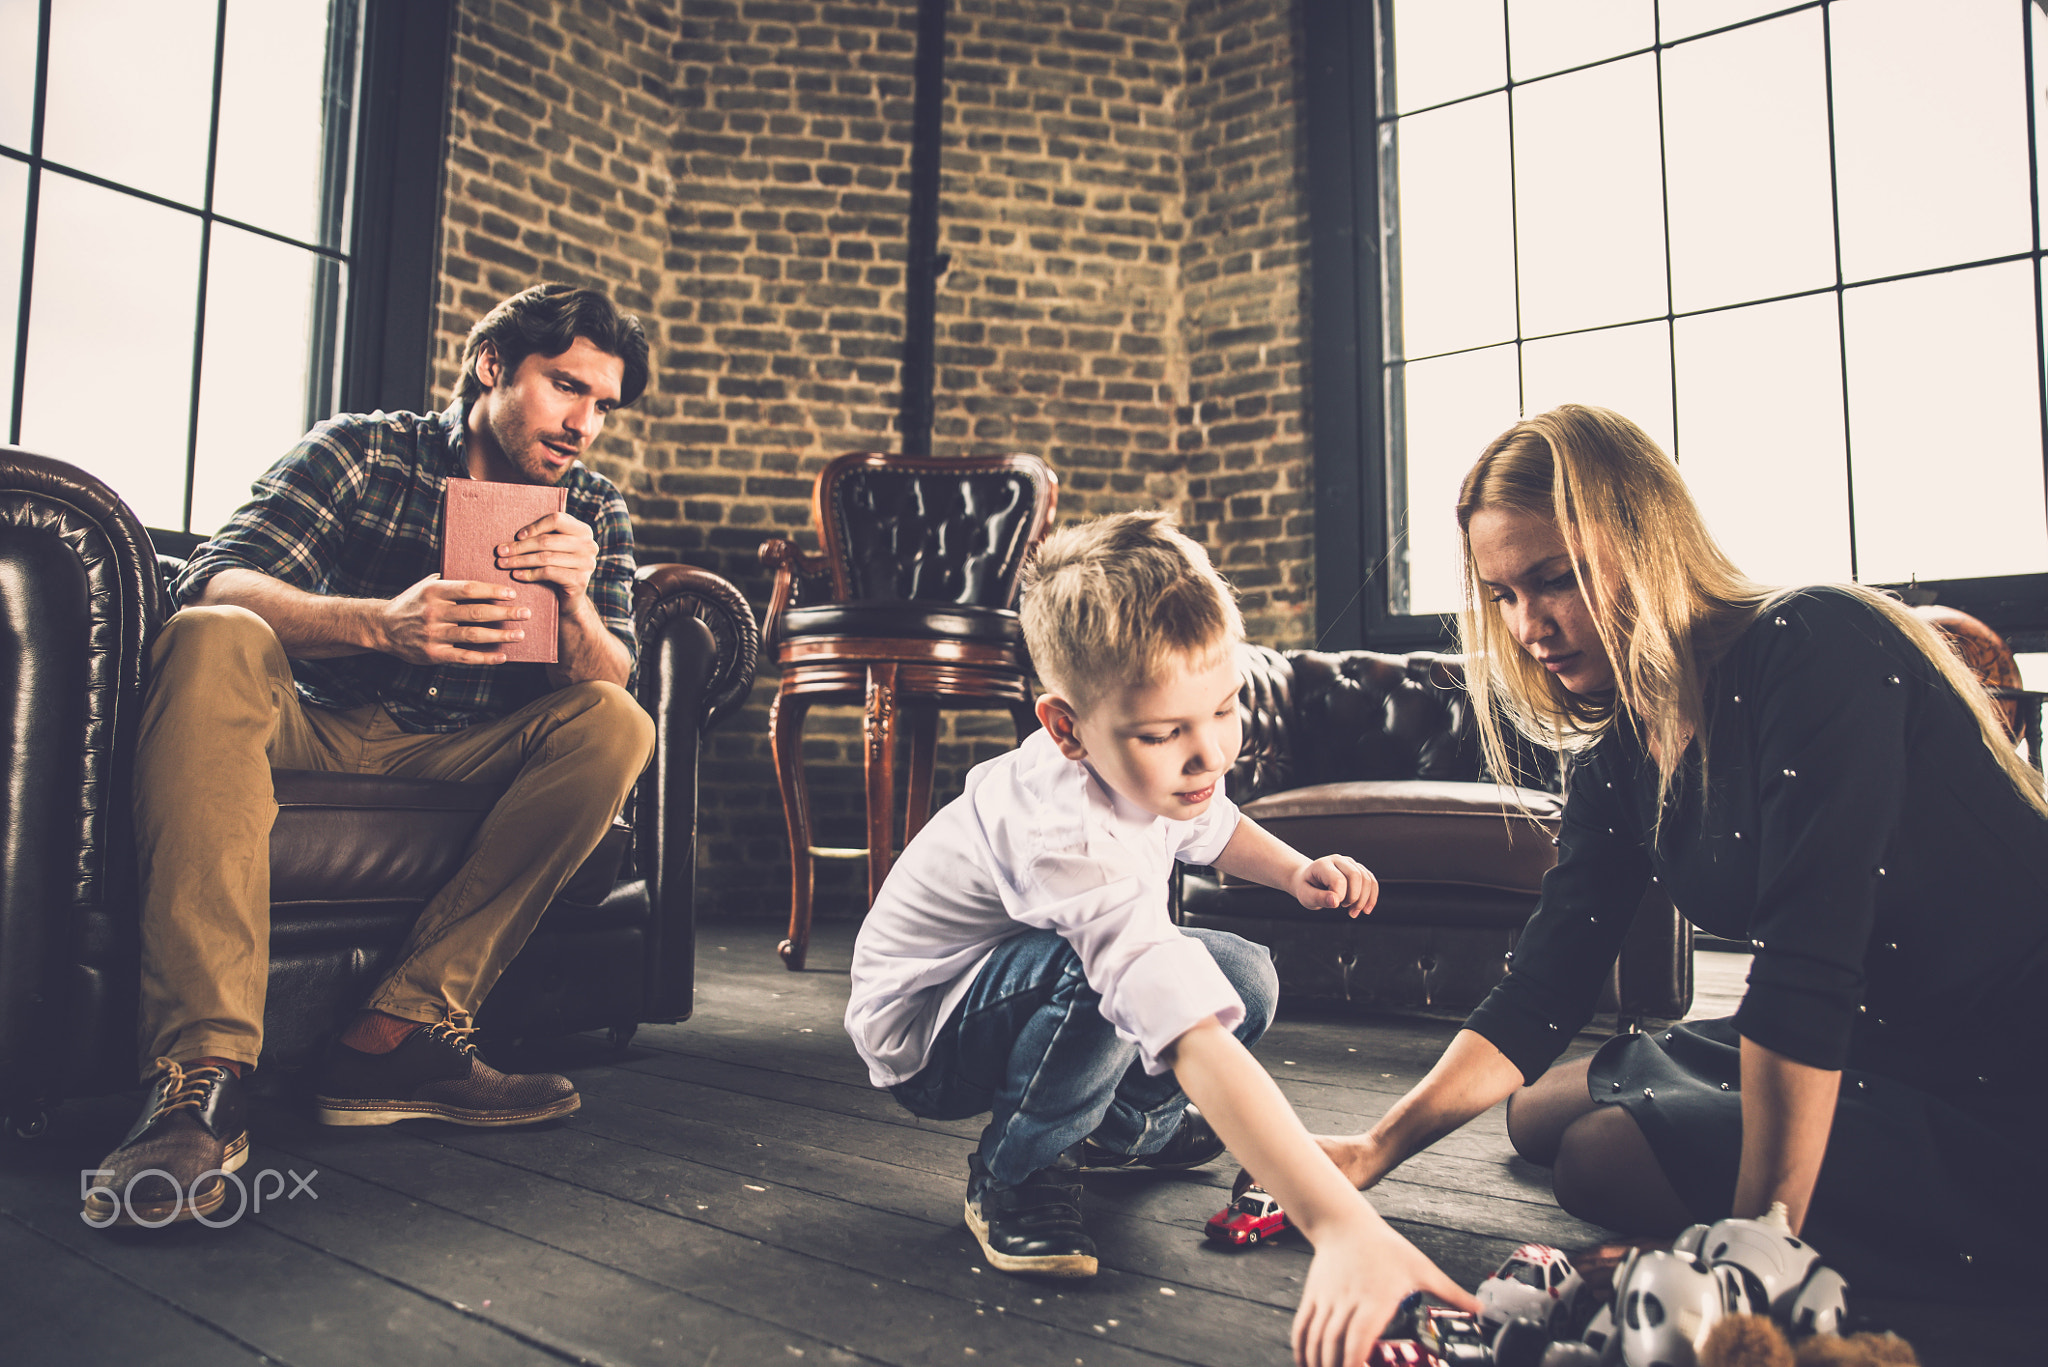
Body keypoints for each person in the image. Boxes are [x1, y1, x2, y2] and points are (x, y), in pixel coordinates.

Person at [1311, 404, 2048, 1298]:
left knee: (1599, 1156)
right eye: (1503, 594)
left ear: (1647, 539)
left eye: (1555, 579)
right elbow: (1543, 985)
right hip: (1869, 1033)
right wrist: (1373, 1148)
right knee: (1533, 1110)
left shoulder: (1818, 645)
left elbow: (1808, 963)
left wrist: (1759, 1244)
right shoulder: (1623, 748)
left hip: (1997, 1066)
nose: (1529, 625)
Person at [844, 511, 1479, 1366]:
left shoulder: (1160, 770)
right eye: (1164, 733)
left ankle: (1122, 1128)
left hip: (1022, 989)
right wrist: (1339, 1223)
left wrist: (1296, 870)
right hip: (930, 1033)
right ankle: (1017, 1171)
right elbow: (1177, 1020)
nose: (1209, 752)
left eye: (1224, 708)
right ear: (1067, 728)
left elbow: (1215, 826)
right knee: (1105, 973)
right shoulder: (1064, 833)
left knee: (1244, 974)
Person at [84, 283, 659, 1228]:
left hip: (459, 753)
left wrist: (576, 600)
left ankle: (400, 1031)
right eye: (566, 387)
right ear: (490, 366)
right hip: (310, 729)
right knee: (212, 635)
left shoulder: (592, 508)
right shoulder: (362, 451)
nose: (584, 425)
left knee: (617, 722)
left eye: (604, 405)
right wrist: (380, 624)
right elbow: (212, 581)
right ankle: (199, 1077)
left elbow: (609, 680)